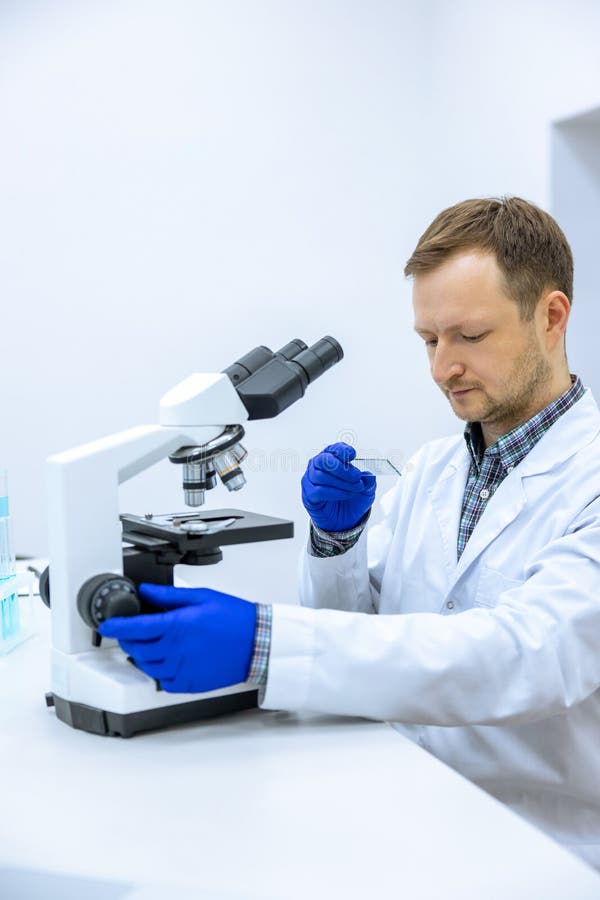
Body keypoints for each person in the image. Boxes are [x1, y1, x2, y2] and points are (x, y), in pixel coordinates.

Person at [99, 197, 600, 869]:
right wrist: (338, 543)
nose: (440, 367)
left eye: (469, 337)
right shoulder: (432, 469)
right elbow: (363, 632)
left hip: (542, 847)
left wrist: (265, 642)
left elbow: (525, 657)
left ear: (552, 316)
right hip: (402, 810)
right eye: (429, 340)